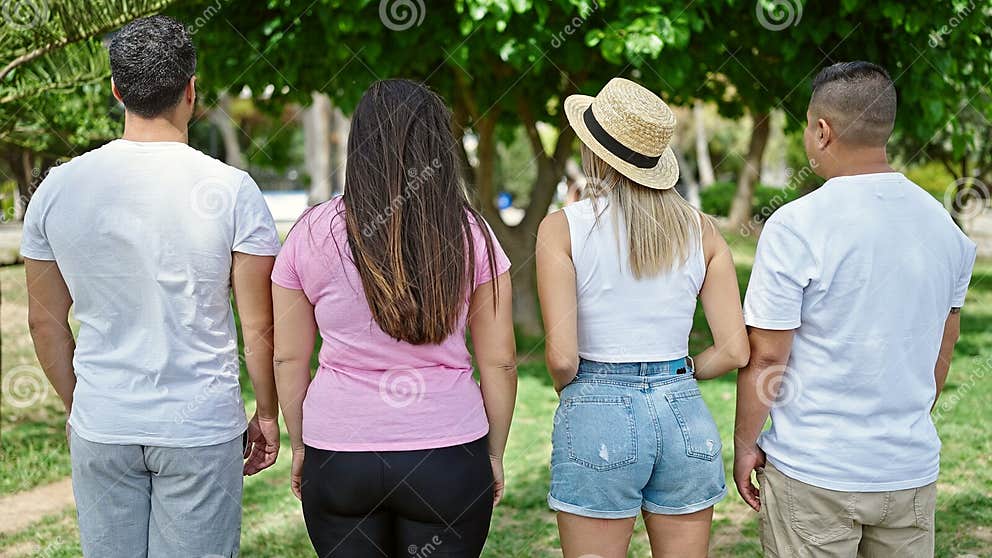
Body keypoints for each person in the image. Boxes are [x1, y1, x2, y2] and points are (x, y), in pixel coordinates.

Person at [20, 15, 281, 557]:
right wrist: (268, 414)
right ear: (191, 91)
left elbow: (44, 321)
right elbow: (258, 324)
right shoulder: (233, 189)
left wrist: (82, 405)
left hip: (104, 423)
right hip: (201, 429)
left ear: (117, 90)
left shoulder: (55, 190)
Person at [734, 61, 977, 557]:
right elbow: (944, 348)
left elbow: (766, 360)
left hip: (813, 474)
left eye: (806, 126)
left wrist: (744, 445)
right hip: (907, 474)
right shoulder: (946, 231)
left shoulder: (794, 225)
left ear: (822, 131)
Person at [271, 79, 517, 557]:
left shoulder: (310, 234)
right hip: (448, 455)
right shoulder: (473, 235)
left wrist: (301, 446)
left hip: (340, 455)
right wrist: (492, 453)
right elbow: (502, 362)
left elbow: (287, 358)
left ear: (359, 145)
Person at [537, 77, 750, 558]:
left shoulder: (561, 229)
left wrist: (581, 391)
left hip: (597, 409)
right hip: (684, 413)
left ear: (594, 151)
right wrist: (682, 372)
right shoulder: (702, 231)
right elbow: (736, 350)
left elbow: (562, 358)